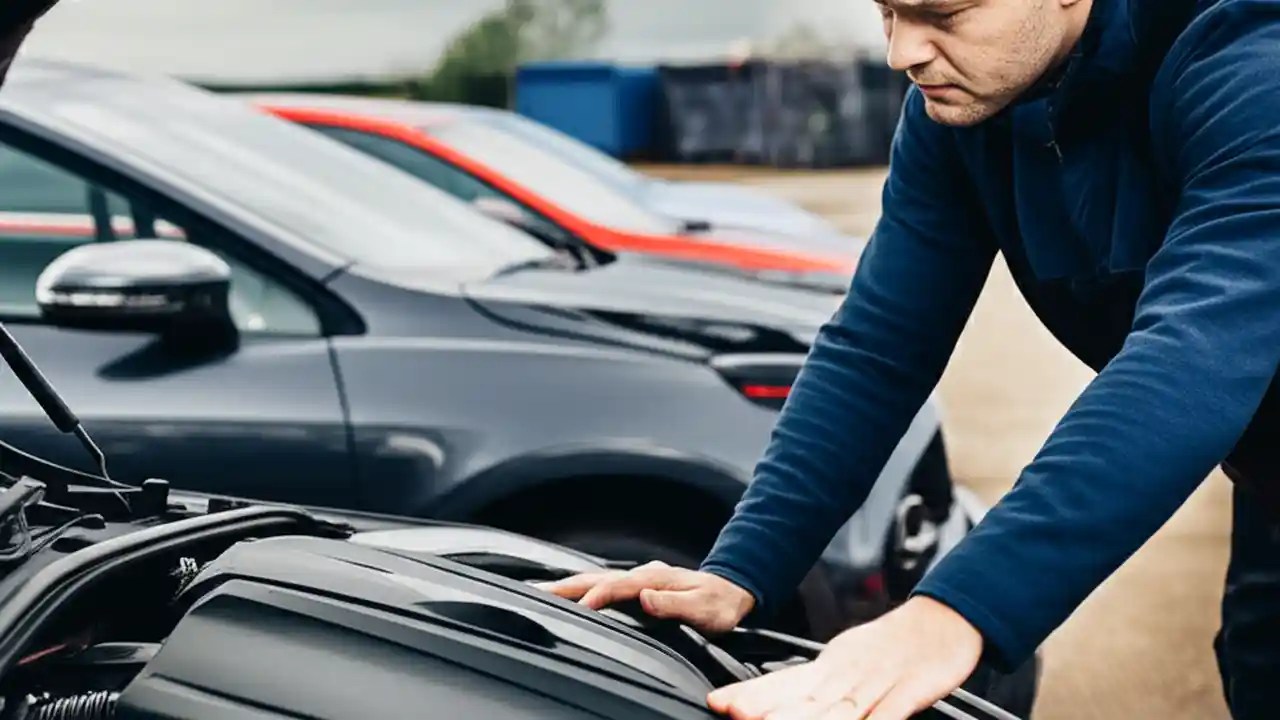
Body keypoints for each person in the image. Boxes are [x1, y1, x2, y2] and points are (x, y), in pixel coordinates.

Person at [542, 1, 1280, 718]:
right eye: (888, 13)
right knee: (1262, 668)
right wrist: (742, 568)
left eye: (943, 16)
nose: (903, 53)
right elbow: (880, 344)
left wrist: (952, 612)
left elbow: (1190, 356)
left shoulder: (1251, 64)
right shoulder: (962, 106)